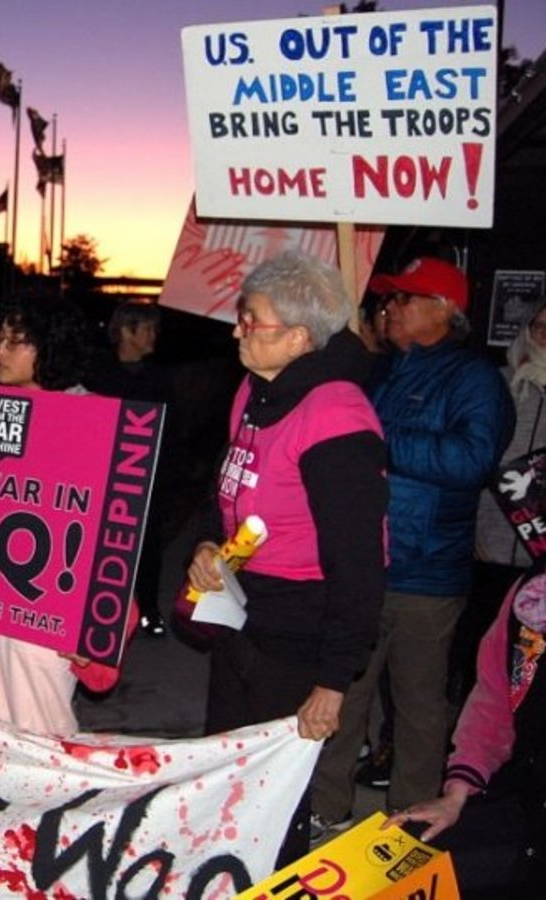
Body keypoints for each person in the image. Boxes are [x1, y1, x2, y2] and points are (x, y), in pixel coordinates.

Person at [186, 251, 388, 867]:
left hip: (302, 623)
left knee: (274, 798)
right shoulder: (255, 389)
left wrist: (333, 682)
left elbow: (360, 562)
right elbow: (234, 490)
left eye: (253, 321)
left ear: (299, 337)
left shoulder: (336, 417)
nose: (237, 331)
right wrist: (208, 547)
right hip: (246, 606)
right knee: (228, 775)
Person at [311, 256, 515, 840]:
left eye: (404, 298)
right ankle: (327, 807)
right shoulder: (383, 371)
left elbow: (471, 460)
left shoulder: (475, 380)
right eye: (388, 299)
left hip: (425, 573)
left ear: (444, 312)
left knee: (419, 707)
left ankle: (410, 821)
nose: (390, 308)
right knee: (342, 694)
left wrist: (375, 439)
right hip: (364, 564)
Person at [0, 293, 134, 736]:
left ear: (49, 348)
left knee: (42, 720)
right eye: (0, 338)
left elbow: (114, 527)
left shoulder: (91, 419)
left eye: (16, 342)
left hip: (52, 595)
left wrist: (97, 620)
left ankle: (53, 802)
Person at [384, 567, 546, 896]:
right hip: (526, 800)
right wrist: (457, 793)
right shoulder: (532, 595)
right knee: (394, 865)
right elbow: (495, 700)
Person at [462, 299, 546, 700]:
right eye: (539, 325)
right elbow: (474, 460)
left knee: (525, 674)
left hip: (540, 566)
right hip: (486, 552)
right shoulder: (497, 383)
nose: (543, 334)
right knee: (473, 659)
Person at [85, 302, 172, 637]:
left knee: (147, 550)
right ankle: (102, 617)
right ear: (126, 331)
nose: (154, 336)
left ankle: (148, 613)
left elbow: (170, 428)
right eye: (147, 328)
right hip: (103, 480)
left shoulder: (158, 377)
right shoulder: (97, 373)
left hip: (145, 480)